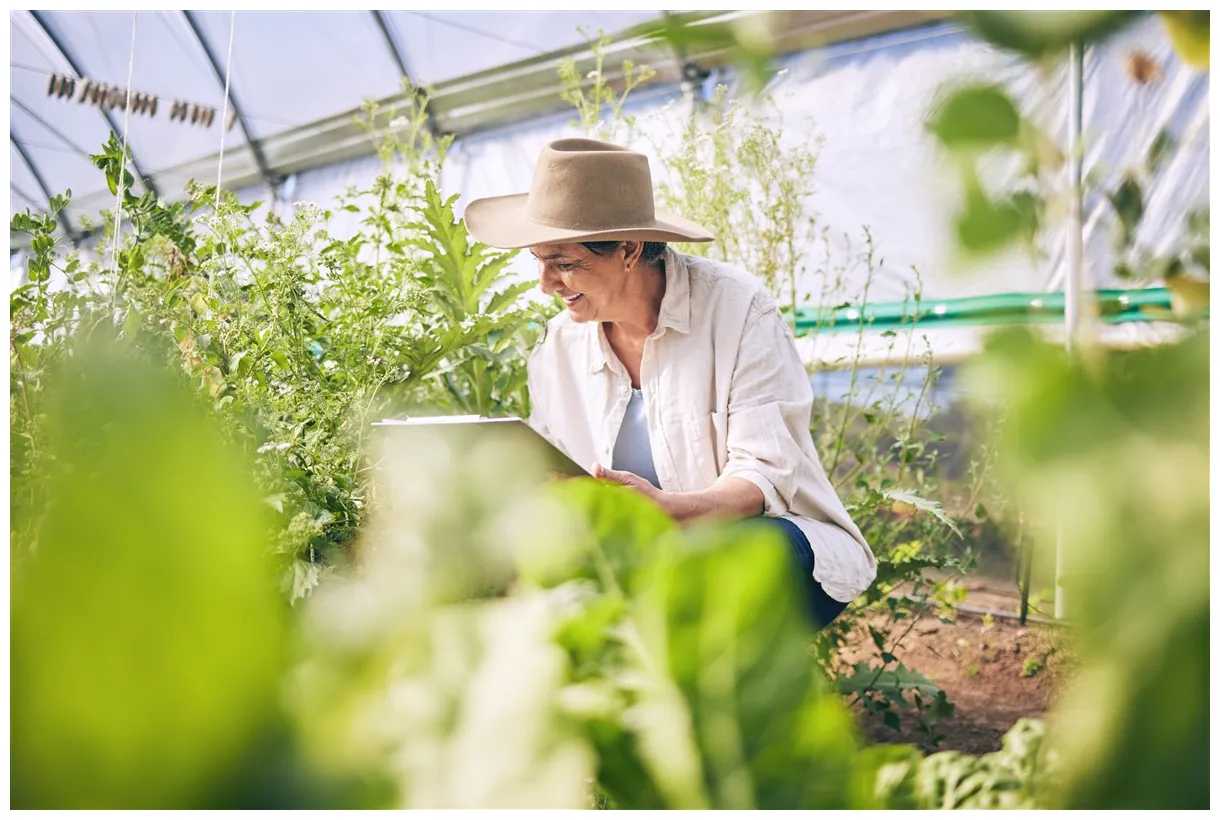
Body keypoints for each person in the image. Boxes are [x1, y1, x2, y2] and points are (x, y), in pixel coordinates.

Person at [464, 137, 876, 630]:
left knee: (716, 568)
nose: (546, 283)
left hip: (763, 537)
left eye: (565, 262)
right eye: (538, 259)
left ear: (630, 249)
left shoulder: (738, 310)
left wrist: (669, 512)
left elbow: (765, 474)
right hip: (634, 555)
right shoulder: (558, 347)